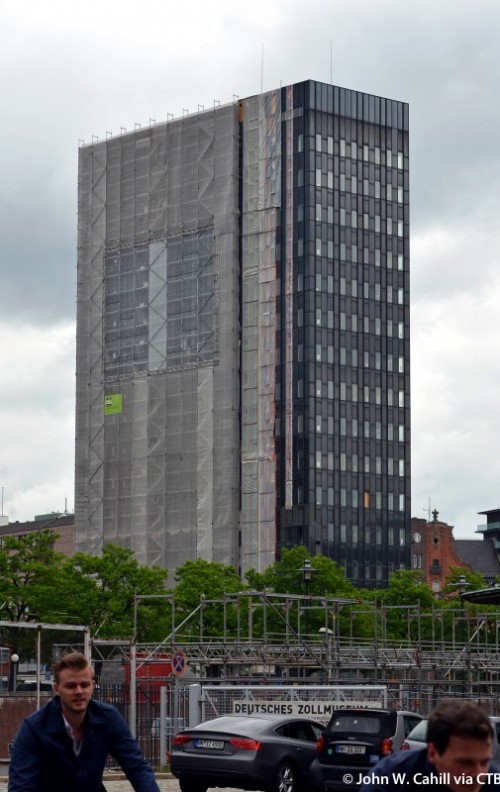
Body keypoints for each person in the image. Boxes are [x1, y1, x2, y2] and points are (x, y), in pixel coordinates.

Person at [8, 651, 160, 792]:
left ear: (93, 686)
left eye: (84, 685)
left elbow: (137, 768)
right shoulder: (34, 728)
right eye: (71, 686)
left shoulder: (108, 718)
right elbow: (21, 786)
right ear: (57, 688)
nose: (79, 691)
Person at [360, 699, 499, 792]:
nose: (478, 773)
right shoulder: (389, 778)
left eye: (484, 761)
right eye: (465, 762)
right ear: (433, 753)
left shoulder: (493, 781)